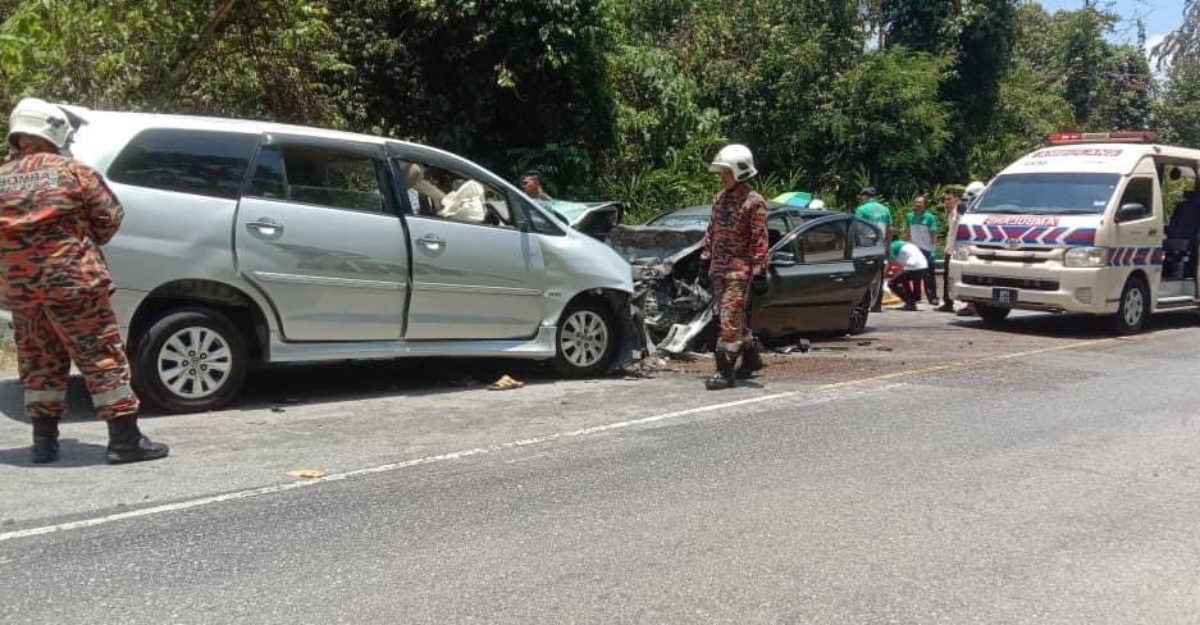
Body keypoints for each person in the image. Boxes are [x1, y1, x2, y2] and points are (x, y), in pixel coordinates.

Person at [0, 98, 168, 464]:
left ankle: (43, 444)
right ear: (55, 132)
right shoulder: (74, 172)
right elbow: (109, 218)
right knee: (102, 356)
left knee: (38, 361)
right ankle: (124, 440)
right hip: (74, 284)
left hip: (20, 291)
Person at [700, 143, 769, 390]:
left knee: (728, 320)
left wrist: (761, 269)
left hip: (740, 272)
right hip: (718, 269)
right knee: (730, 318)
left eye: (726, 173)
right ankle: (751, 357)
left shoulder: (754, 202)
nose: (723, 178)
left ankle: (724, 371)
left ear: (740, 171)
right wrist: (704, 258)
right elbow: (712, 231)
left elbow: (759, 238)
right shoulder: (719, 199)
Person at [854, 187, 891, 312]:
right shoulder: (885, 209)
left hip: (866, 245)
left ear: (864, 196)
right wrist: (887, 246)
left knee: (865, 275)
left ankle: (864, 303)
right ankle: (877, 305)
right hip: (880, 245)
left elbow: (857, 229)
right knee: (879, 275)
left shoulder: (861, 209)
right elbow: (889, 229)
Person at [904, 194, 940, 306]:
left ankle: (932, 297)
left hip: (926, 250)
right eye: (916, 202)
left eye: (920, 203)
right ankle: (916, 296)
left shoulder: (930, 217)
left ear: (925, 205)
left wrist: (933, 249)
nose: (917, 204)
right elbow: (908, 232)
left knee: (928, 275)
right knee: (915, 274)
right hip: (915, 250)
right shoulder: (910, 216)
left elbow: (934, 234)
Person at [936, 186, 964, 313]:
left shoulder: (959, 214)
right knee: (947, 277)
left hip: (956, 251)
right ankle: (948, 302)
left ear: (957, 199)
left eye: (949, 199)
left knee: (956, 277)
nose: (946, 201)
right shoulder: (950, 213)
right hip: (949, 249)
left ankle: (969, 304)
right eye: (945, 199)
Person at [887, 239, 929, 311]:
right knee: (904, 279)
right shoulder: (908, 245)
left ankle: (910, 302)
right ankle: (911, 301)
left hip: (913, 267)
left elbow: (890, 263)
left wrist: (884, 274)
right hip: (924, 266)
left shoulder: (891, 247)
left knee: (891, 283)